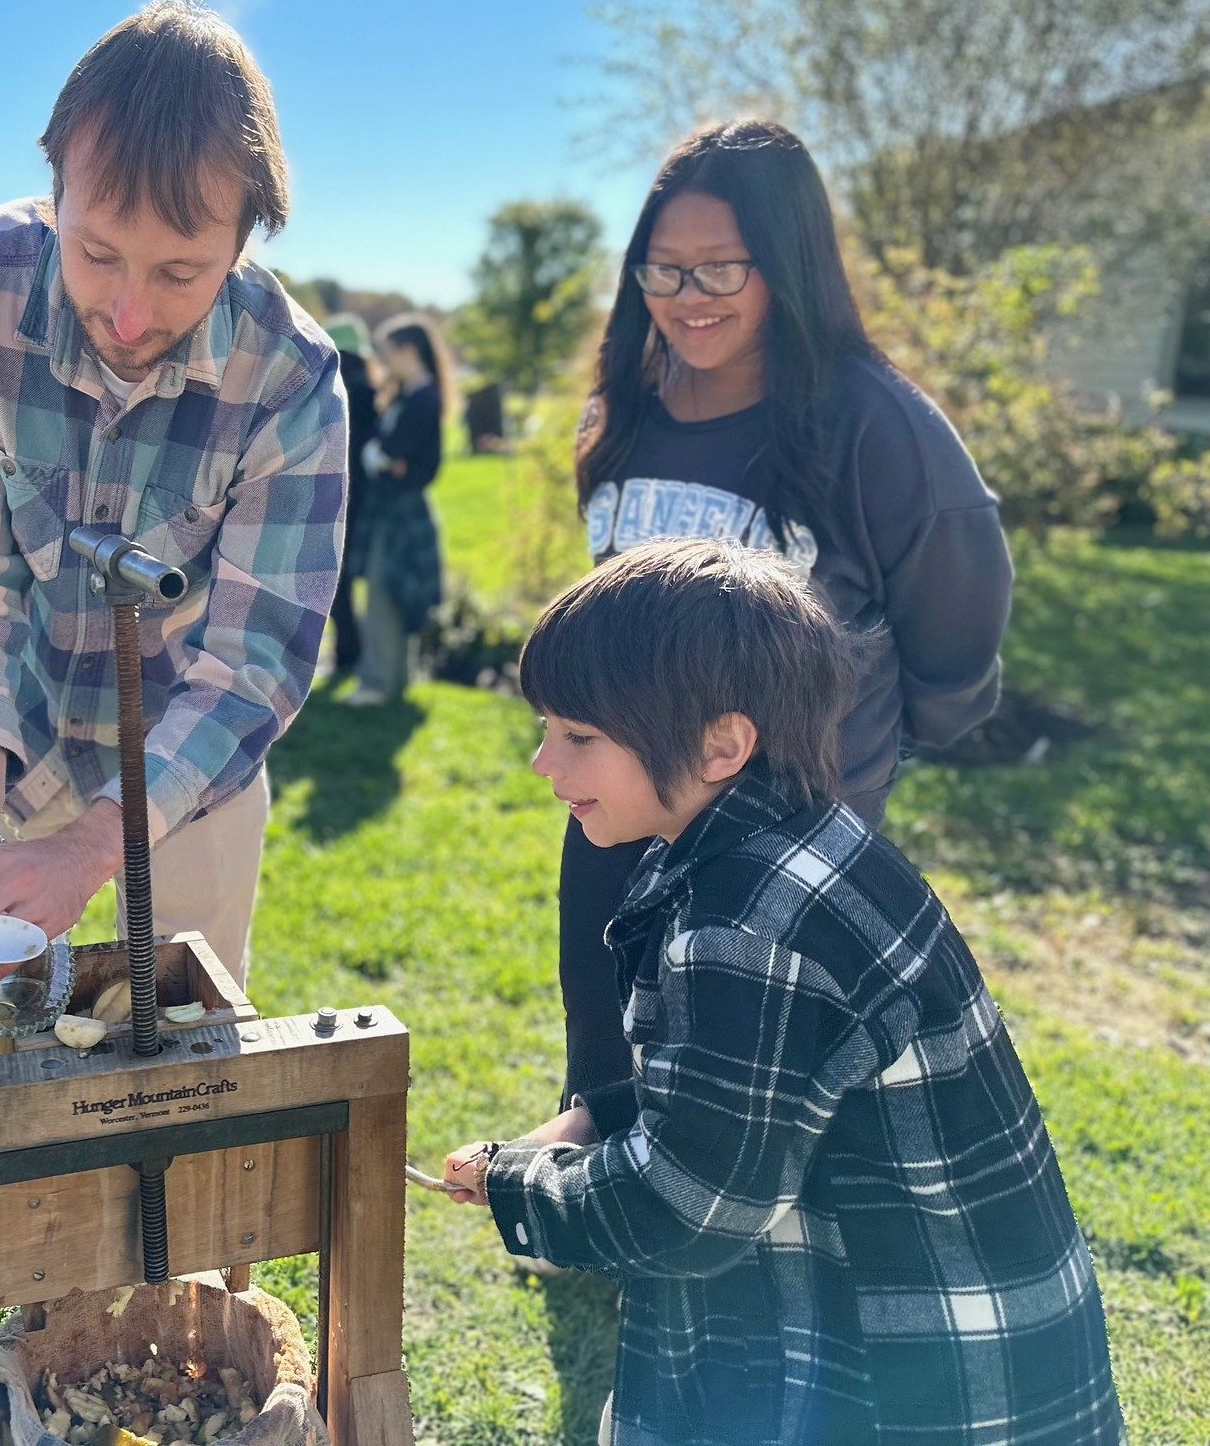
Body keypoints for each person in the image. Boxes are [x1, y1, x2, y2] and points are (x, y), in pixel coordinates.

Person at [0, 0, 348, 1404]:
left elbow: (255, 659)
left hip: (190, 774)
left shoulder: (295, 381)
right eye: (96, 250)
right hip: (6, 728)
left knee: (179, 1050)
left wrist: (103, 839)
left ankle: (170, 1291)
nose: (126, 309)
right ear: (52, 183)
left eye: (180, 271)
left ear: (248, 238)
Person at [439, 538, 1122, 1446]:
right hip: (964, 1329)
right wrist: (599, 1119)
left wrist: (517, 1185)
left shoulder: (745, 929)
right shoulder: (801, 848)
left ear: (722, 745)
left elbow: (693, 1211)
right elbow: (744, 1091)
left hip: (930, 1384)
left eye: (579, 738)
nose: (541, 763)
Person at [555, 119, 1014, 1135]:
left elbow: (957, 618)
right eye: (662, 270)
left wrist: (867, 750)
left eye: (720, 268)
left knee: (745, 1089)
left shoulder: (876, 425)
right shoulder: (624, 408)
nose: (687, 297)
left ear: (789, 264)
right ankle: (594, 1148)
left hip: (786, 839)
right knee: (605, 1036)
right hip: (619, 811)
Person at [346, 312, 450, 705]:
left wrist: (385, 458)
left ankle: (377, 685)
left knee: (384, 594)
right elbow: (384, 456)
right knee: (385, 590)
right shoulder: (407, 395)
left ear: (409, 351)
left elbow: (396, 455)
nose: (383, 360)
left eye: (388, 351)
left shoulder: (424, 398)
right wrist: (385, 459)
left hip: (400, 511)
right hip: (390, 507)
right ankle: (391, 681)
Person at [322, 311, 379, 680]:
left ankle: (347, 651)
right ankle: (351, 649)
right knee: (348, 577)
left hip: (332, 491)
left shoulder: (330, 390)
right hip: (365, 495)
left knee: (332, 576)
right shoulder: (371, 394)